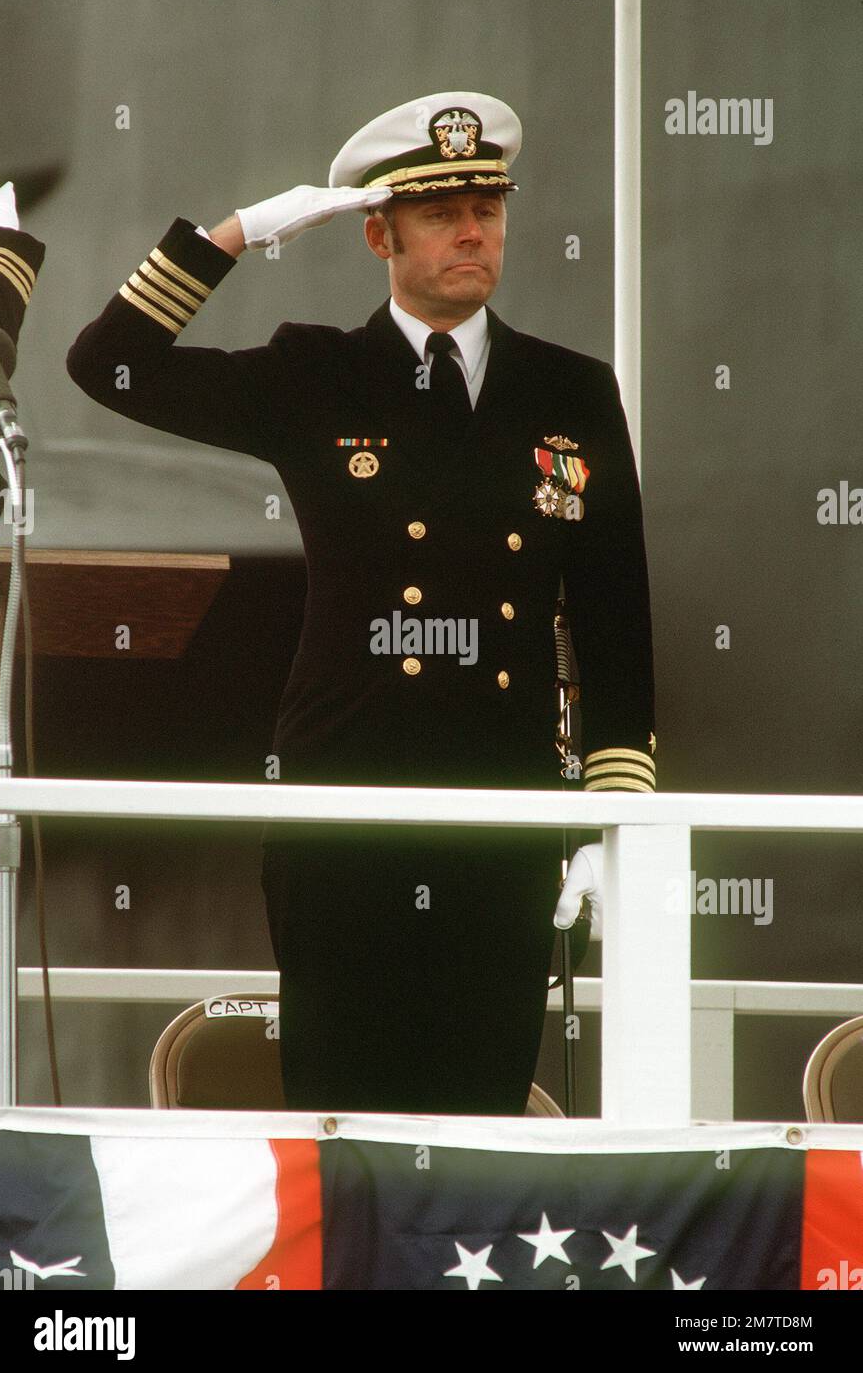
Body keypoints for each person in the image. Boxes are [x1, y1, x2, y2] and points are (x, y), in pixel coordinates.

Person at [66, 91, 656, 1115]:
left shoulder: (572, 392)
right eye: (440, 213)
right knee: (343, 1124)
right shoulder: (316, 375)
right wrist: (241, 235)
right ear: (376, 232)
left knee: (481, 1131)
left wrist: (615, 824)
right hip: (343, 809)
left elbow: (615, 620)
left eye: (488, 205)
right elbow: (108, 365)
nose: (474, 230)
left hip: (503, 817)